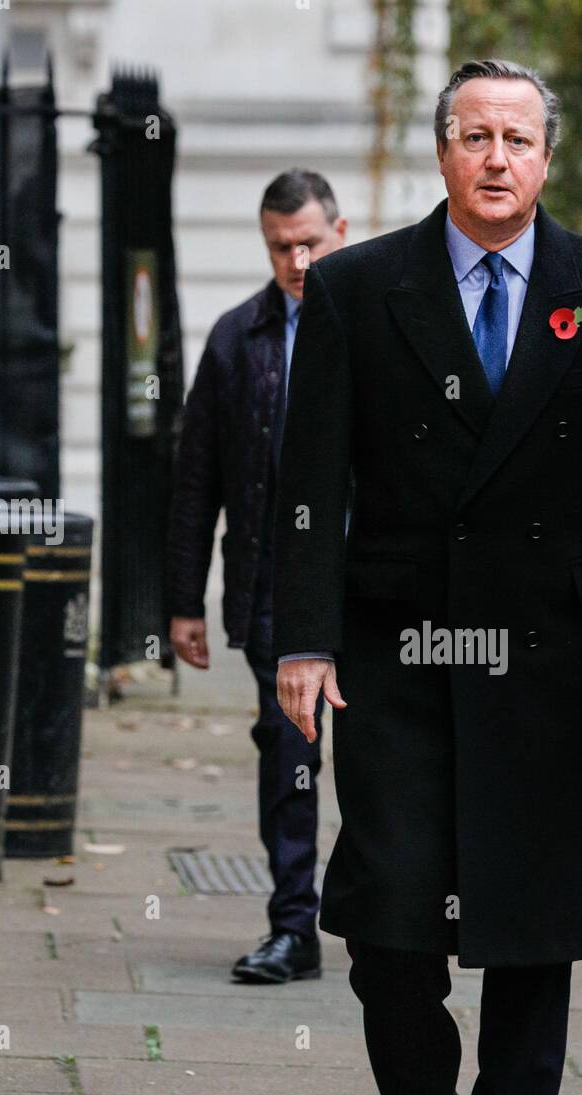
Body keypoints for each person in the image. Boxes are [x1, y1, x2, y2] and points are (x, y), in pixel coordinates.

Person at [272, 59, 582, 1095]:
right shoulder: (356, 288)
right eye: (474, 135)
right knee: (385, 920)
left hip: (553, 666)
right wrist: (302, 638)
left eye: (517, 137)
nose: (496, 157)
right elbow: (310, 484)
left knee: (529, 930)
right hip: (397, 656)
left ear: (546, 157)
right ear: (442, 153)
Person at [166, 169, 347, 985]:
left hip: (374, 579)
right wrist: (183, 602)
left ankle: (394, 925)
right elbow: (195, 474)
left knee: (386, 758)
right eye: (281, 246)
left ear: (339, 232)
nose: (297, 259)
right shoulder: (237, 337)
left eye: (309, 241)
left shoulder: (380, 319)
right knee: (288, 753)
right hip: (273, 580)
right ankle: (293, 928)